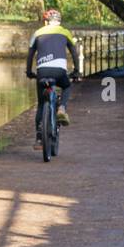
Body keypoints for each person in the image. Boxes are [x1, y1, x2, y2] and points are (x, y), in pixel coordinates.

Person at [26, 8, 81, 148]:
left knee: (40, 104)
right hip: (59, 70)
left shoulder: (37, 33)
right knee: (67, 86)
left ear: (45, 22)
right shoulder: (65, 32)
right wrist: (76, 71)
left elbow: (30, 55)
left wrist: (29, 72)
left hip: (42, 72)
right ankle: (61, 108)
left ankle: (39, 139)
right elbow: (74, 53)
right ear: (59, 21)